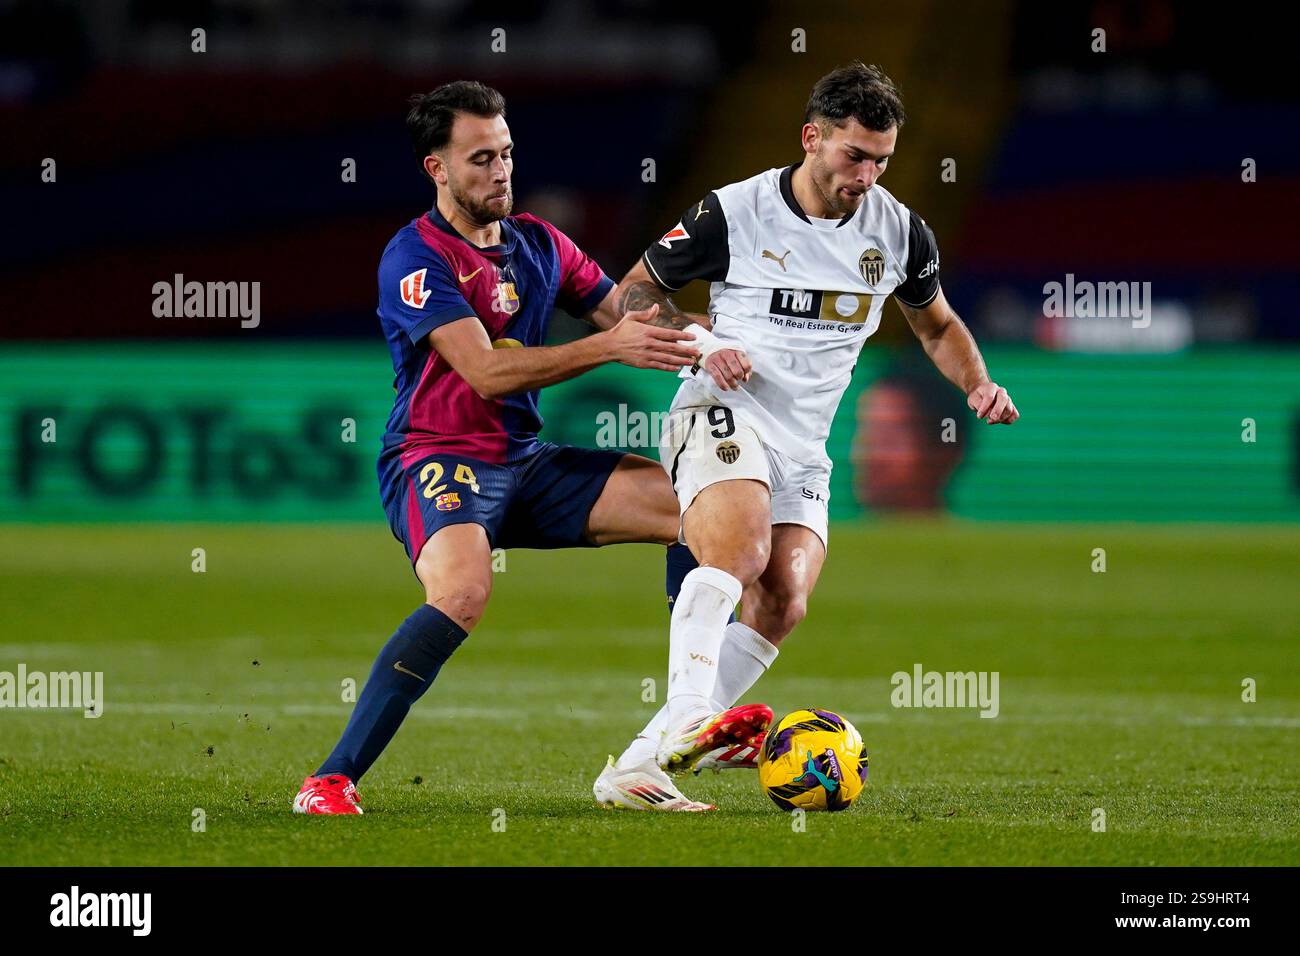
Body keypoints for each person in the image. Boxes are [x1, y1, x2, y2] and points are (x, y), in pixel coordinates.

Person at [294, 80, 768, 815]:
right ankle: (329, 779)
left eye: (508, 153)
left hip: (525, 462)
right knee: (462, 594)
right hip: (438, 457)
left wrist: (724, 337)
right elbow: (484, 370)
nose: (501, 171)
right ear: (438, 170)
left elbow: (630, 309)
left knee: (697, 512)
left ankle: (686, 721)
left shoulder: (540, 243)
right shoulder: (416, 258)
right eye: (481, 158)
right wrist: (609, 348)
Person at [596, 61, 1019, 807]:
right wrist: (700, 343)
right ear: (811, 137)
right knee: (742, 549)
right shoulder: (733, 211)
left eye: (881, 159)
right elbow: (628, 296)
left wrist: (976, 382)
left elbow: (937, 325)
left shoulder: (899, 232)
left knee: (783, 599)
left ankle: (637, 765)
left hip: (803, 444)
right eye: (854, 155)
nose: (867, 174)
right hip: (718, 410)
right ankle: (697, 718)